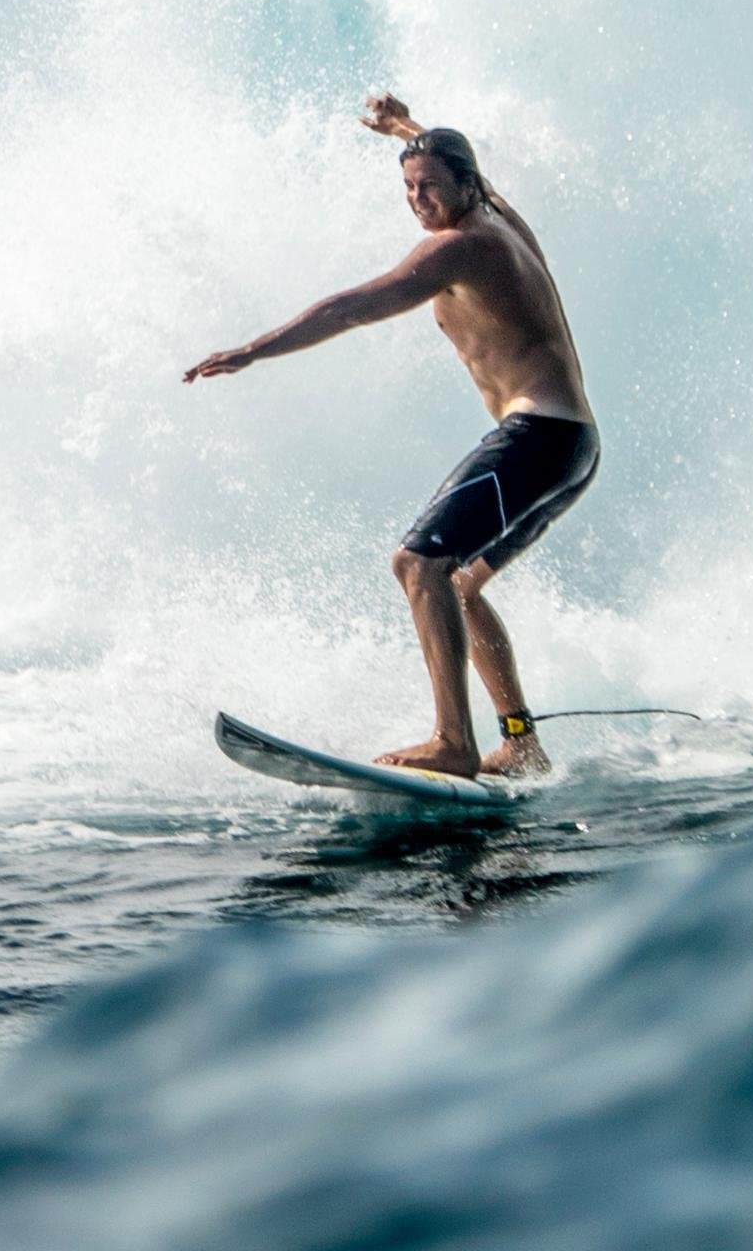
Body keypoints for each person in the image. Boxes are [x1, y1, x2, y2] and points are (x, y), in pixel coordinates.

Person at [186, 95, 599, 779]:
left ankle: (453, 741)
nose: (417, 200)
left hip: (540, 434)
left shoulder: (463, 247)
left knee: (418, 563)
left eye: (430, 186)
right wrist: (407, 130)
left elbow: (352, 308)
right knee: (459, 585)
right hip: (573, 446)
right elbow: (474, 174)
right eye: (408, 188)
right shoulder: (500, 219)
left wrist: (254, 350)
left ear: (465, 186)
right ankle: (519, 742)